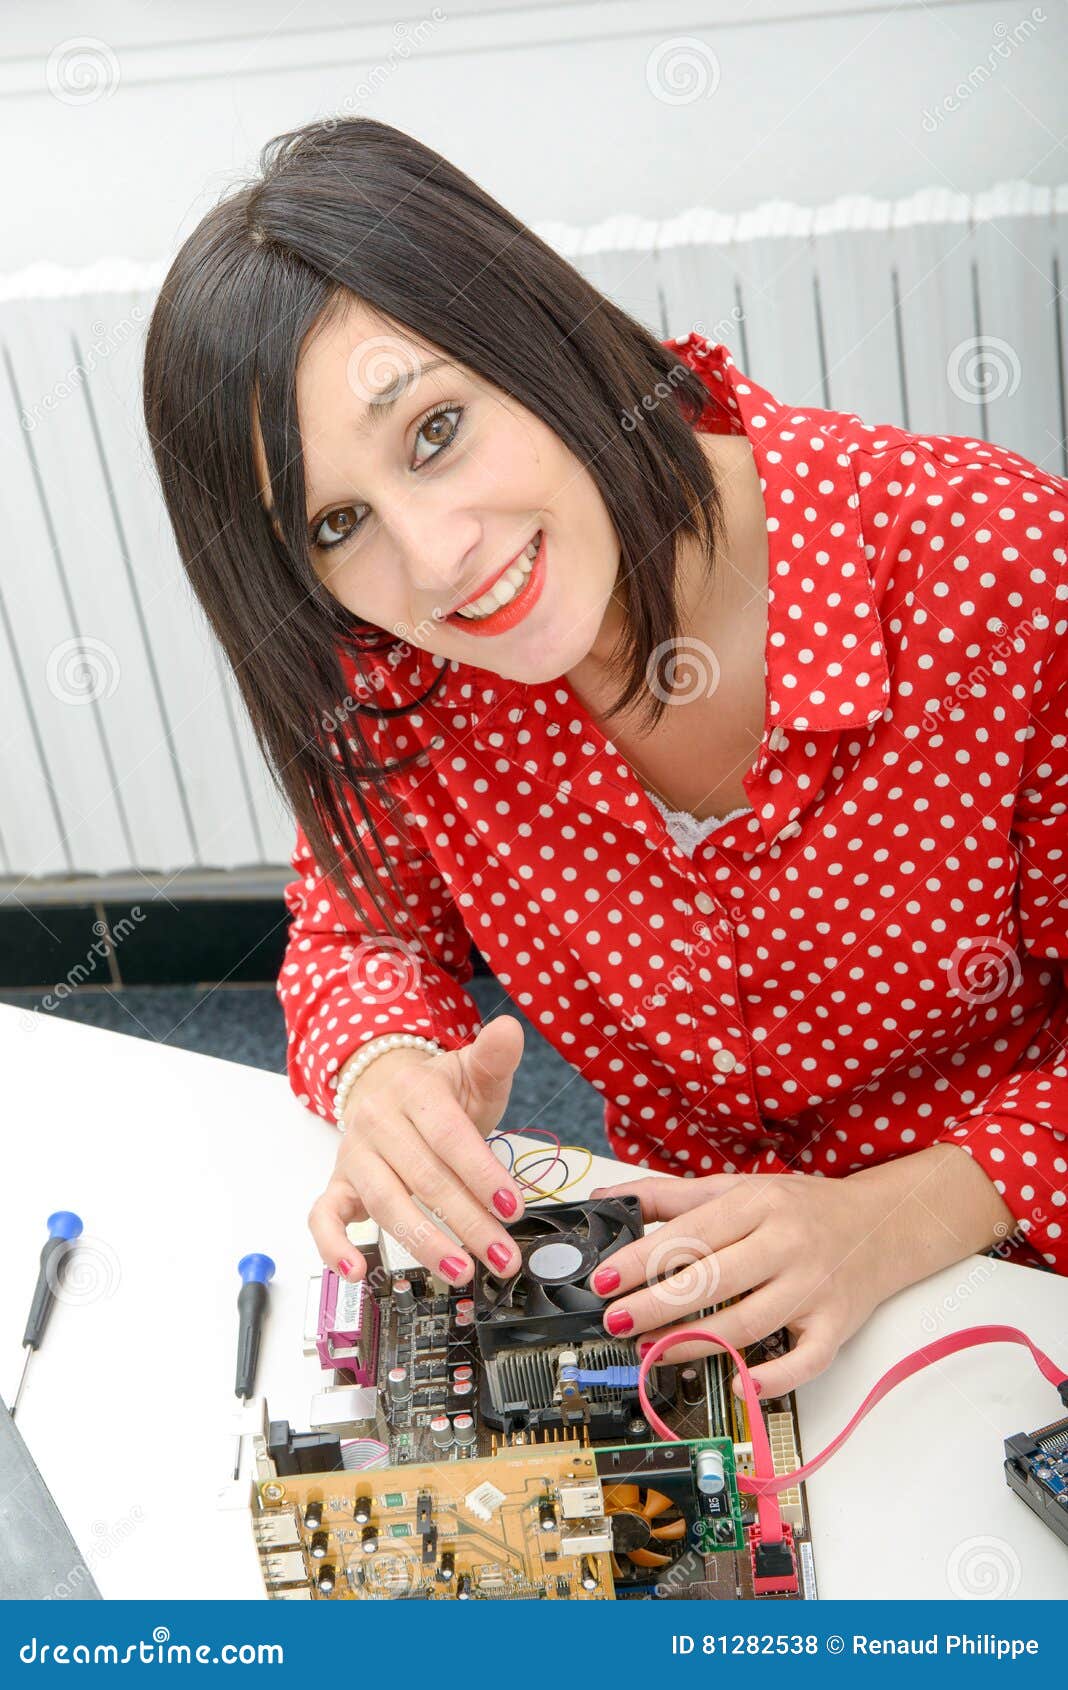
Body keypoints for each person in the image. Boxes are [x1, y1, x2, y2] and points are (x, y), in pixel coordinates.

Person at [142, 116, 1068, 1398]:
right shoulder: (397, 677)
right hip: (682, 1323)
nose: (433, 559)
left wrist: (890, 1219)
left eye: (435, 430)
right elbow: (364, 934)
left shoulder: (1003, 570)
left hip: (1006, 1297)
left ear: (540, 331)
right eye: (340, 523)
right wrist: (387, 1068)